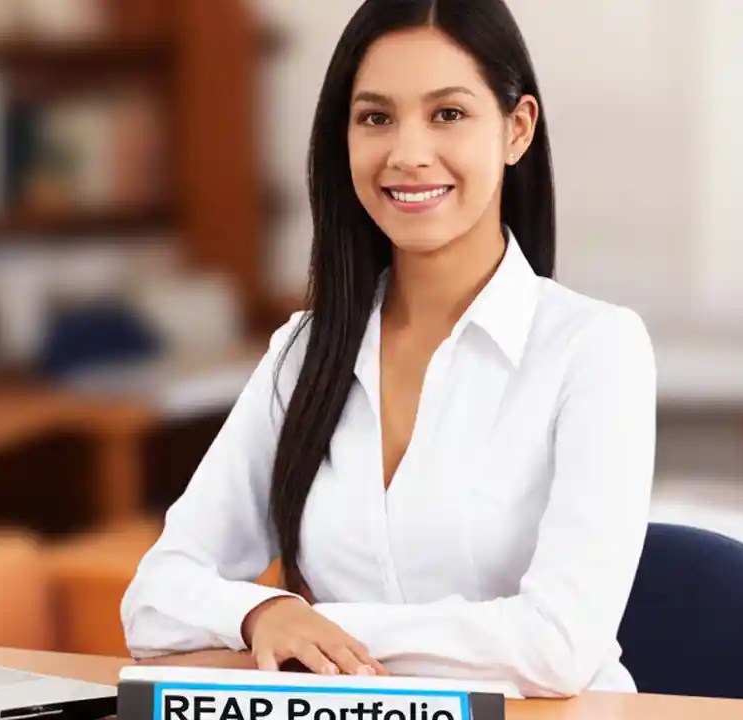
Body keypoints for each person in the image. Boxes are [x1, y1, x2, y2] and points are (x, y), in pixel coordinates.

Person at [120, 0, 656, 698]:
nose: (407, 153)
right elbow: (155, 600)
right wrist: (262, 612)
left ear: (517, 129)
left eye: (448, 114)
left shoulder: (595, 350)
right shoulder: (303, 353)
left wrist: (316, 629)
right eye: (376, 117)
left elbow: (556, 647)